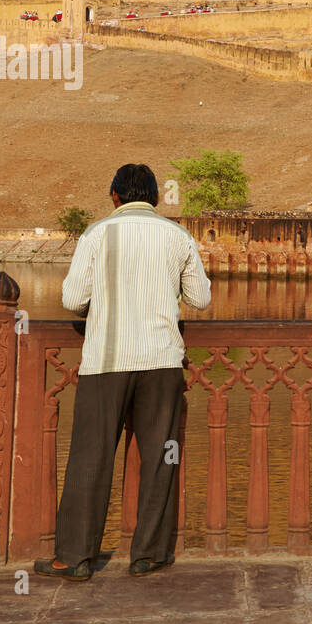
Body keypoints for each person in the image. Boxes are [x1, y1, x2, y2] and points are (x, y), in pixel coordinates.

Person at [34, 164, 211, 581]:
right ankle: (149, 554)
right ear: (156, 198)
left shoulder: (97, 235)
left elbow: (73, 299)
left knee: (90, 459)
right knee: (161, 457)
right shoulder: (178, 236)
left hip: (106, 363)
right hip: (162, 362)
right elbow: (200, 298)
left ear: (115, 196)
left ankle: (74, 558)